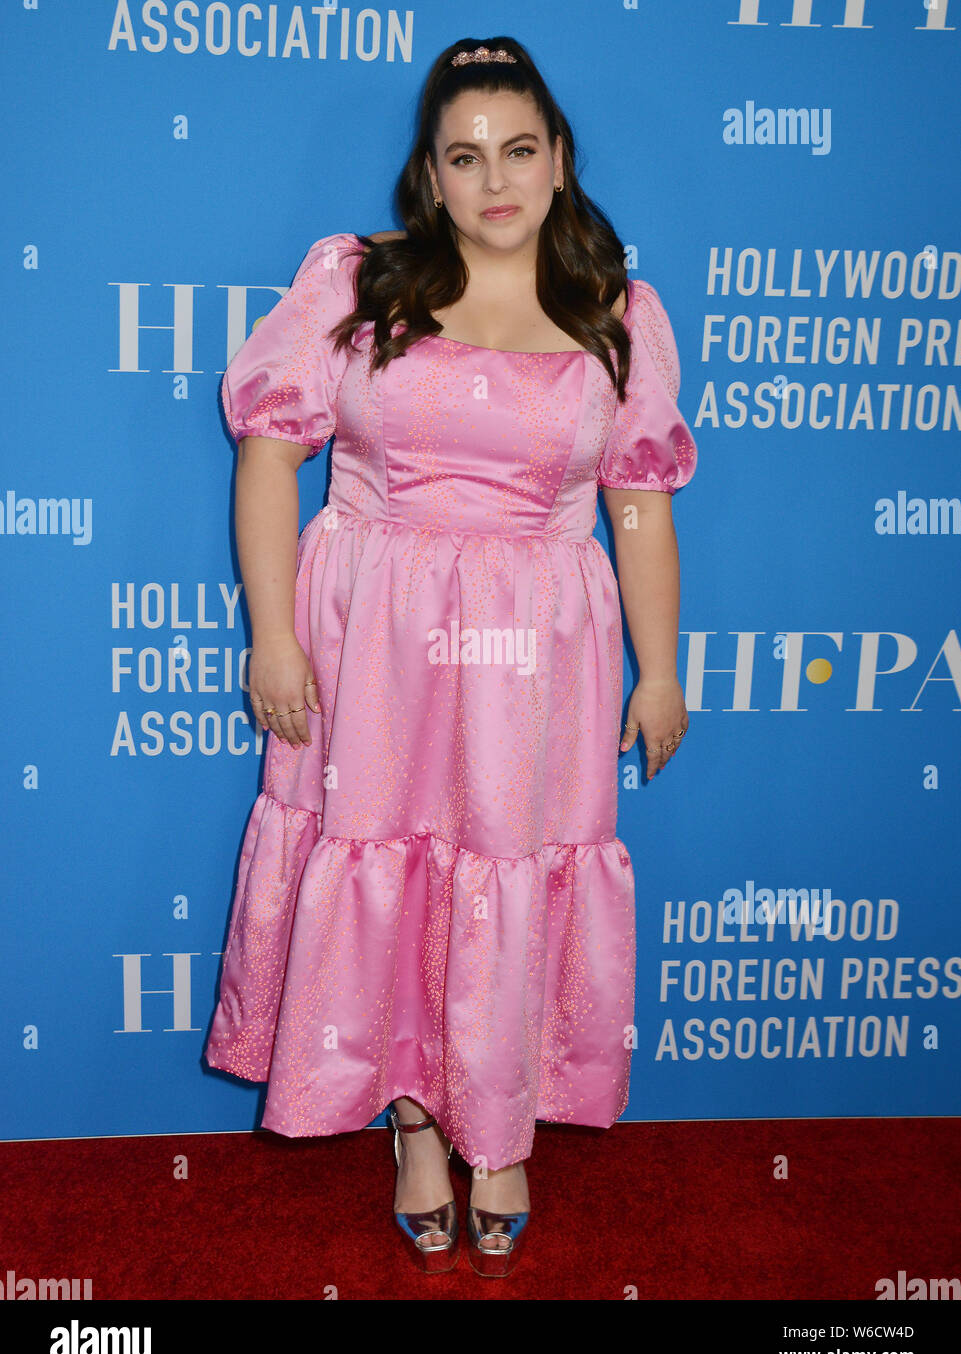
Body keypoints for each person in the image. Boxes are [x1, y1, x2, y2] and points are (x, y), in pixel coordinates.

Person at [203, 35, 697, 1279]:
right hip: (373, 636)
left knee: (506, 871)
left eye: (518, 150)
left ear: (558, 158)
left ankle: (500, 1126)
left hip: (538, 652)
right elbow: (272, 454)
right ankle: (415, 1122)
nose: (495, 180)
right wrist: (271, 632)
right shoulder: (355, 283)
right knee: (387, 864)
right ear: (429, 173)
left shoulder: (615, 313)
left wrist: (660, 667)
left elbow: (640, 505)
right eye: (464, 155)